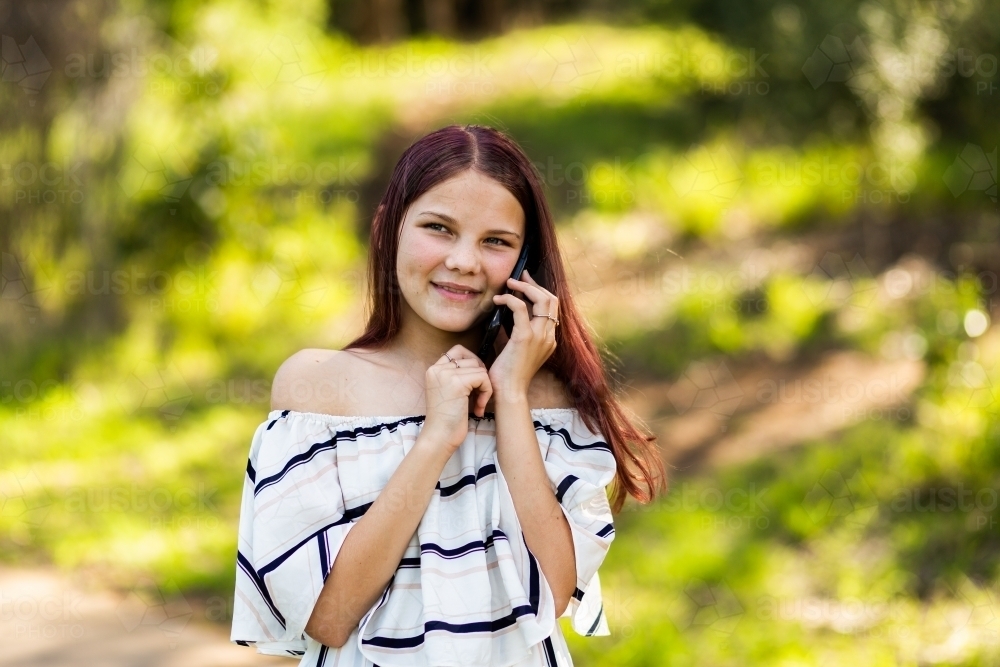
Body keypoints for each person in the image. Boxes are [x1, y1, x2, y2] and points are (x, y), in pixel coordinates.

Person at [230, 124, 666, 666]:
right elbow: (328, 616)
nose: (464, 261)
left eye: (496, 242)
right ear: (389, 228)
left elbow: (552, 593)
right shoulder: (320, 387)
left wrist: (511, 397)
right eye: (439, 228)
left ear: (525, 260)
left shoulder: (549, 401)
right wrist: (436, 437)